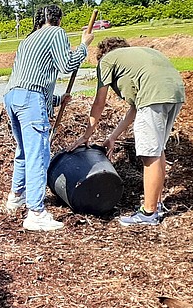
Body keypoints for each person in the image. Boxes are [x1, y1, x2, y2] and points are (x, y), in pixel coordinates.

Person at [71, 37, 185, 226]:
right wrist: (113, 137)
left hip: (154, 94)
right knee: (157, 151)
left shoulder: (107, 60)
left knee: (149, 155)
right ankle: (156, 204)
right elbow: (135, 108)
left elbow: (99, 102)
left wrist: (86, 135)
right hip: (175, 93)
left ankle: (148, 213)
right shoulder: (138, 57)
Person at [3, 5, 93, 232]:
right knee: (38, 155)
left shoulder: (28, 39)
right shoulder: (56, 33)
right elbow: (67, 65)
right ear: (58, 19)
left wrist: (56, 100)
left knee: (23, 151)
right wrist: (84, 45)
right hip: (29, 99)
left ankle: (16, 196)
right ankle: (36, 213)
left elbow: (29, 81)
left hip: (12, 98)